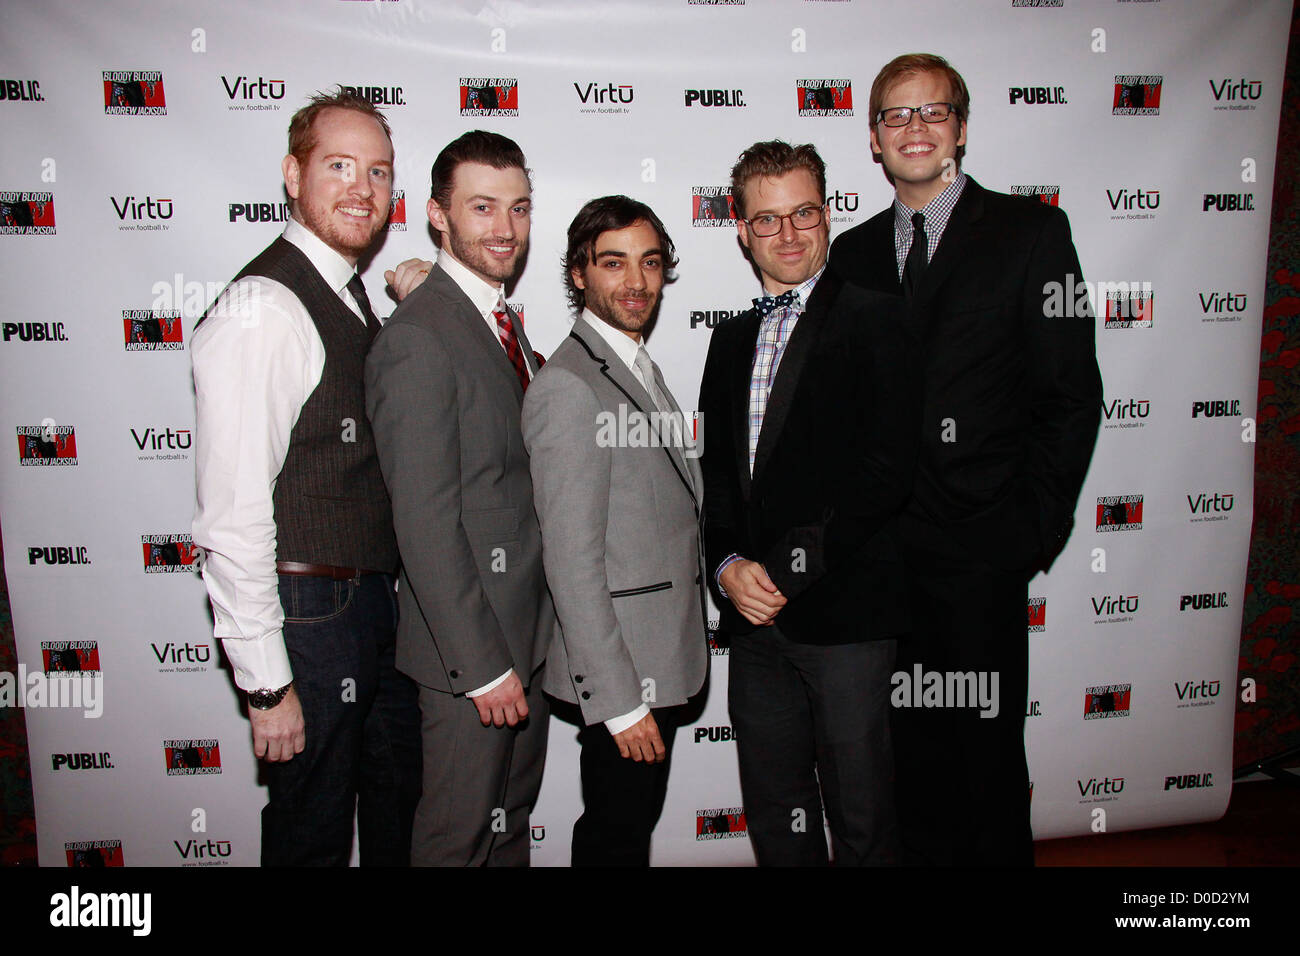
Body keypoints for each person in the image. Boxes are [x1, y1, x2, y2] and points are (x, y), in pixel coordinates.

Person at [828, 53, 1102, 866]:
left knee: (982, 765)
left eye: (931, 112)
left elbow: (1071, 395)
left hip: (982, 557)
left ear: (962, 127)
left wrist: (1030, 532)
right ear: (873, 140)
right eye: (894, 116)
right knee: (899, 766)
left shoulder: (1031, 233)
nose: (913, 128)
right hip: (879, 566)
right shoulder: (852, 254)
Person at [192, 89, 422, 866]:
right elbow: (232, 510)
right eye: (339, 166)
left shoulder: (350, 296)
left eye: (379, 172)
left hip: (368, 607)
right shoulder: (265, 305)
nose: (363, 187)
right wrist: (264, 684)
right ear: (293, 175)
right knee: (312, 837)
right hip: (311, 612)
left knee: (398, 814)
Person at [699, 140, 916, 866]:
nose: (788, 235)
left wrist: (789, 571)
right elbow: (720, 479)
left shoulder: (879, 318)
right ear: (741, 229)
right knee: (776, 813)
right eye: (767, 220)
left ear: (828, 215)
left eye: (804, 214)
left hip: (846, 615)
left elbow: (887, 471)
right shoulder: (728, 341)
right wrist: (725, 563)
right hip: (754, 627)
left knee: (864, 817)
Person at [365, 130, 553, 866]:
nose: (504, 228)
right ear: (438, 216)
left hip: (528, 642)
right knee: (456, 843)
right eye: (482, 207)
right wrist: (479, 666)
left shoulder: (496, 321)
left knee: (506, 834)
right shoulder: (419, 338)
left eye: (519, 208)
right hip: (471, 661)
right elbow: (424, 518)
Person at [522, 196, 707, 867]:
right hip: (625, 673)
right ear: (579, 274)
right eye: (613, 263)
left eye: (650, 263)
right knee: (614, 838)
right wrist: (622, 702)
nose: (636, 282)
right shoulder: (571, 387)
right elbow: (569, 561)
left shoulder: (632, 364)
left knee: (626, 831)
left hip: (657, 656)